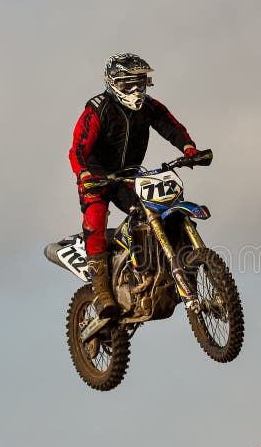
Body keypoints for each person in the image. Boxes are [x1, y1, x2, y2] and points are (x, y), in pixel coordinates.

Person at [68, 53, 200, 317]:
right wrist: (84, 173)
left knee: (154, 210)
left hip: (128, 174)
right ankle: (102, 292)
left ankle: (158, 269)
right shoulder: (98, 108)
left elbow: (169, 125)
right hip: (96, 175)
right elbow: (78, 148)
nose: (136, 90)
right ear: (114, 83)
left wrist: (188, 148)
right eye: (129, 84)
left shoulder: (149, 107)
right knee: (95, 218)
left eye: (140, 83)